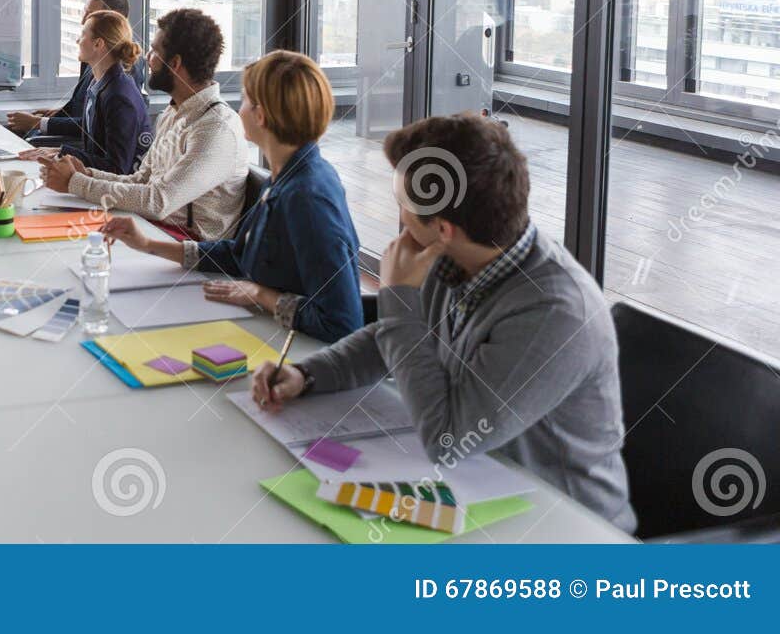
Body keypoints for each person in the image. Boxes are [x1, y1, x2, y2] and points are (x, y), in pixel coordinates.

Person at [251, 113, 635, 532]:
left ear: (444, 228)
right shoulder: (455, 256)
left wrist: (397, 297)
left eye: (401, 203)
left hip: (562, 527)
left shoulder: (557, 313)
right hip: (476, 490)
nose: (396, 214)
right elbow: (388, 343)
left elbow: (448, 440)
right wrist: (306, 374)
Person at [102, 51, 362, 341]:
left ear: (261, 116)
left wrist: (263, 295)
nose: (240, 111)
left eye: (246, 101)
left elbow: (343, 322)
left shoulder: (307, 197)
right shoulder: (285, 177)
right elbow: (239, 256)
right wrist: (148, 244)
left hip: (290, 351)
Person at [39, 8, 250, 240]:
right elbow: (141, 180)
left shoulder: (216, 129)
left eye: (154, 51)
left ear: (175, 62)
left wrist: (75, 182)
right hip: (153, 228)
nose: (146, 58)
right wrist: (86, 173)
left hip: (184, 245)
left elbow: (158, 200)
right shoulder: (173, 113)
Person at [21, 11, 148, 174]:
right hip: (94, 180)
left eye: (82, 35)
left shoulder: (119, 96)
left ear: (98, 44)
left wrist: (63, 153)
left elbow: (117, 169)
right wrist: (58, 152)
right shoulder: (98, 83)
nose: (77, 41)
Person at [6, 0, 140, 139]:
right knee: (9, 131)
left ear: (113, 19)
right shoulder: (92, 55)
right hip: (71, 132)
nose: (83, 21)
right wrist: (56, 115)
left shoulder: (125, 69)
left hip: (80, 143)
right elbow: (79, 103)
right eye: (85, 12)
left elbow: (95, 126)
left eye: (90, 15)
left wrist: (40, 123)